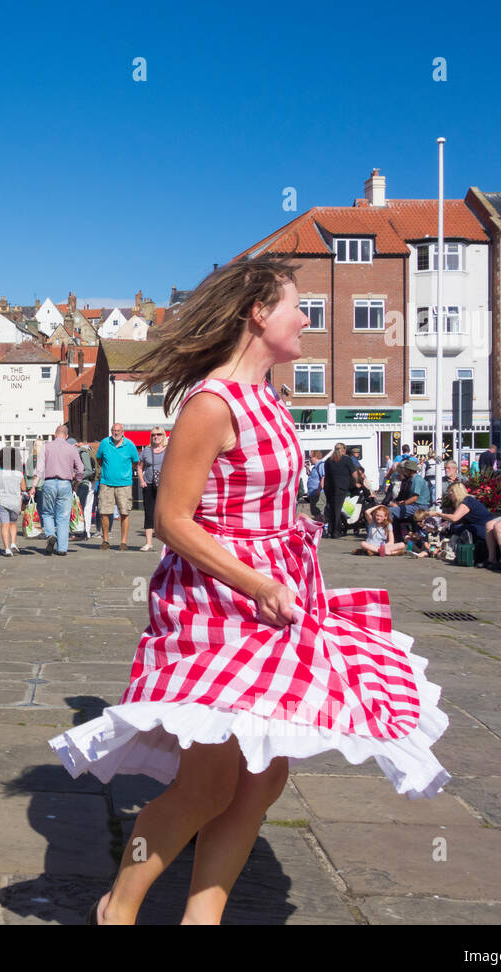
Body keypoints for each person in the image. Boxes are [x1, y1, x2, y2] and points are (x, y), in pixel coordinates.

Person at [49, 258, 448, 925]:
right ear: (260, 313)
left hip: (278, 596)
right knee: (205, 787)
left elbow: (261, 499)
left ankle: (201, 919)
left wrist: (289, 543)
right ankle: (117, 908)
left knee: (265, 777)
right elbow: (171, 520)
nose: (306, 320)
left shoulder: (269, 398)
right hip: (219, 604)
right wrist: (257, 578)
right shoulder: (212, 403)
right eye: (298, 306)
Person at [30, 424, 84, 556]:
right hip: (65, 483)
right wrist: (77, 481)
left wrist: (33, 486)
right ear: (66, 436)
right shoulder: (72, 449)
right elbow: (81, 469)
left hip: (49, 483)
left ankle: (50, 534)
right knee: (63, 517)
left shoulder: (46, 447)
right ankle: (62, 548)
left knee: (47, 513)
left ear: (55, 435)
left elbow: (40, 468)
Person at [96, 422, 140, 550]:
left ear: (123, 432)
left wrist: (124, 473)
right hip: (106, 483)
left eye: (118, 430)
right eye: (114, 430)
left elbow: (135, 462)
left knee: (124, 512)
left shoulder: (130, 445)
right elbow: (99, 459)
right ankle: (105, 540)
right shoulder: (105, 443)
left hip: (124, 484)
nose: (116, 433)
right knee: (104, 512)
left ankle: (123, 542)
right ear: (111, 431)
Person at [436, 481, 495, 554]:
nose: (449, 497)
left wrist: (437, 514)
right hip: (481, 526)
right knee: (452, 527)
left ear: (455, 493)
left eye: (450, 494)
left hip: (483, 528)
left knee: (455, 528)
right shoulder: (469, 500)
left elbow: (454, 518)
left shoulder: (467, 501)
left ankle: (455, 549)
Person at [0, 446, 25, 556]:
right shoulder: (19, 474)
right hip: (15, 502)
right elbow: (24, 489)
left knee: (5, 524)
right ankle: (13, 543)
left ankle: (7, 549)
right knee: (13, 523)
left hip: (3, 501)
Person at [137, 427, 169, 552]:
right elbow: (140, 467)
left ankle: (168, 542)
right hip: (149, 484)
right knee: (149, 513)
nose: (156, 437)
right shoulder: (146, 451)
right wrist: (142, 481)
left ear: (163, 436)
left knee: (164, 514)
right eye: (154, 435)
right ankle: (148, 542)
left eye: (159, 434)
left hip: (164, 486)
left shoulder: (169, 450)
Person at [388, 459, 428, 540]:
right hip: (415, 505)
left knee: (390, 511)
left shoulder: (417, 480)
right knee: (394, 514)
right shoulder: (413, 479)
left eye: (405, 469)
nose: (404, 471)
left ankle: (391, 537)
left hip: (420, 507)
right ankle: (397, 537)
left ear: (409, 470)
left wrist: (400, 504)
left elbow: (415, 497)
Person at [323, 443, 356, 538]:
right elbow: (354, 473)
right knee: (337, 510)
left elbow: (327, 475)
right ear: (344, 450)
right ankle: (336, 532)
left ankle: (331, 529)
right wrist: (358, 482)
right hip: (341, 487)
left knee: (332, 509)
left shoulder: (328, 461)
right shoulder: (346, 459)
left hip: (329, 487)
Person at [304, 449, 325, 520]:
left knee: (318, 511)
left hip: (318, 492)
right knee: (315, 512)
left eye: (310, 457)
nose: (309, 459)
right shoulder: (315, 467)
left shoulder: (321, 465)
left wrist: (319, 490)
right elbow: (311, 476)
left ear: (316, 457)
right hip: (313, 493)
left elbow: (323, 477)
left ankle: (322, 527)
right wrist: (307, 468)